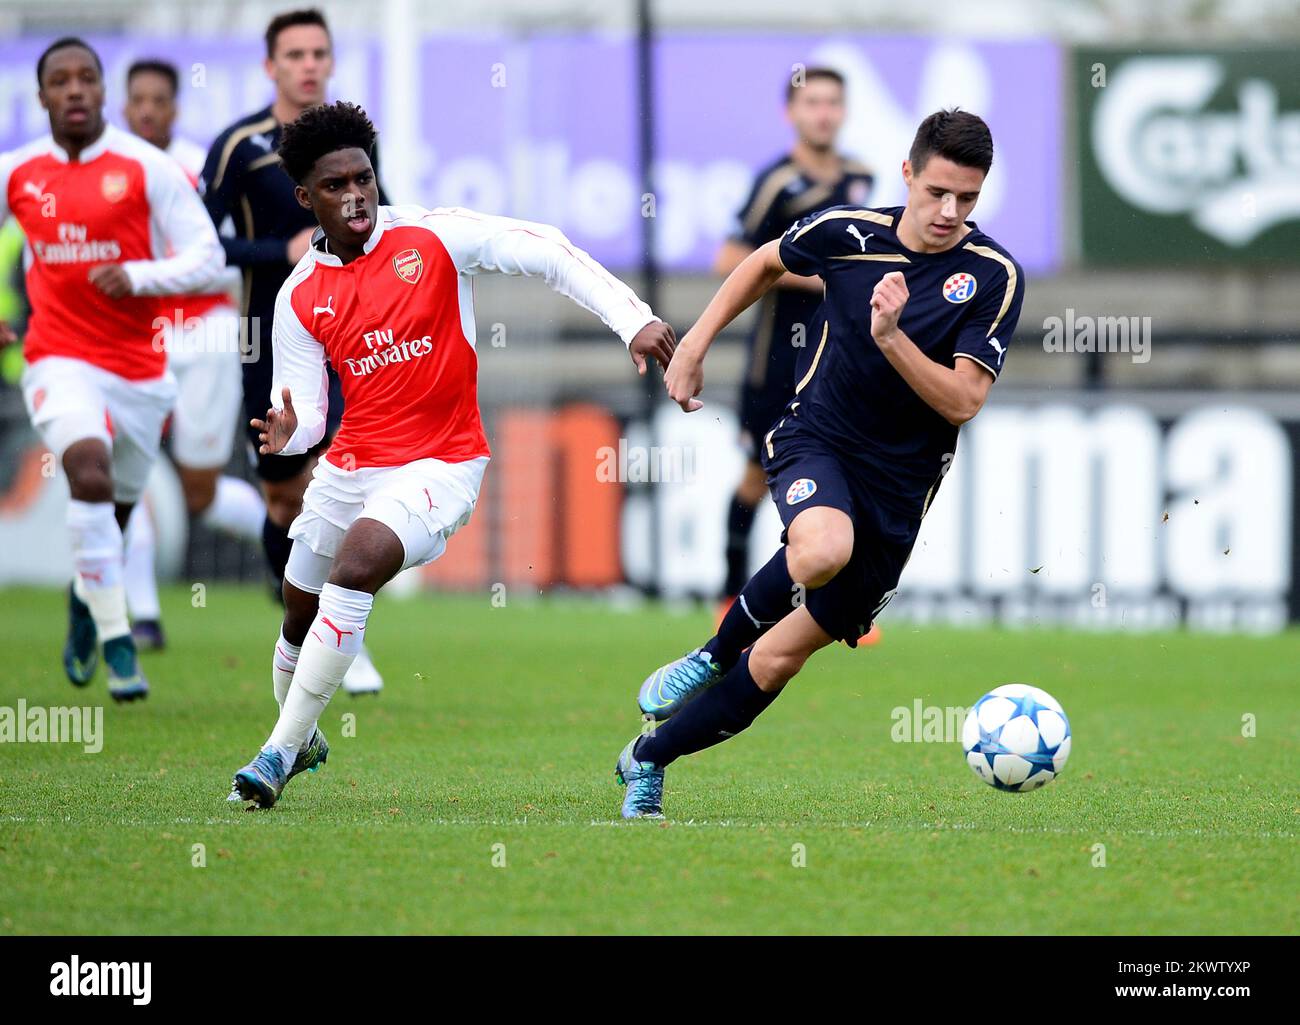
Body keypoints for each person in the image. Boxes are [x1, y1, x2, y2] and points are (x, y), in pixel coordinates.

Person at [227, 101, 676, 808]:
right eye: (337, 186)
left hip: (442, 462)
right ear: (305, 198)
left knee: (358, 566)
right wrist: (293, 427)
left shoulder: (432, 237)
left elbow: (546, 250)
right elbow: (310, 411)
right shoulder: (299, 295)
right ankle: (301, 735)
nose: (356, 196)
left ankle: (276, 754)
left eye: (364, 179)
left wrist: (633, 318)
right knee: (296, 610)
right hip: (350, 465)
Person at [619, 109, 1024, 817]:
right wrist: (694, 345)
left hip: (899, 493)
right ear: (907, 173)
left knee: (777, 660)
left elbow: (963, 400)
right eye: (936, 192)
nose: (948, 211)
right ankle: (713, 654)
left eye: (967, 198)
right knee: (821, 548)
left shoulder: (992, 276)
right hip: (820, 438)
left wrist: (892, 338)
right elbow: (765, 261)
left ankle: (648, 758)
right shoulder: (850, 233)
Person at [0, 38, 223, 699]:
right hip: (56, 358)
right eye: (60, 81)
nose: (74, 90)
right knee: (87, 470)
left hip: (138, 368)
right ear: (40, 97)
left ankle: (83, 600)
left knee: (118, 510)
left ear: (104, 93)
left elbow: (206, 256)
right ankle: (119, 639)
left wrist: (138, 274)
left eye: (86, 79)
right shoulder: (18, 171)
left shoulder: (146, 167)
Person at [200, 7, 387, 691]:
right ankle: (302, 623)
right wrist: (271, 252)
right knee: (284, 500)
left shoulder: (354, 151)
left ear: (331, 62)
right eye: (295, 54)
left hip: (348, 344)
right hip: (267, 345)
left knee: (341, 483)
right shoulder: (239, 146)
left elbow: (383, 230)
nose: (308, 64)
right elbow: (197, 241)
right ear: (270, 65)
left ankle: (343, 633)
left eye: (319, 53)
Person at [715, 67, 872, 618]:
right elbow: (731, 259)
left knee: (843, 471)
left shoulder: (861, 178)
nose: (824, 113)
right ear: (792, 113)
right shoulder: (776, 182)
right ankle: (729, 594)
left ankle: (837, 605)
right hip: (776, 359)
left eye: (833, 102)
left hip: (837, 358)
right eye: (813, 103)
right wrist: (813, 274)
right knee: (758, 477)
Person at [120, 58, 266, 650]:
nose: (148, 109)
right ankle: (142, 617)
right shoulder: (106, 171)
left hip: (202, 333)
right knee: (117, 477)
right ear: (124, 107)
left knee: (200, 494)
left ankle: (288, 550)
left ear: (175, 108)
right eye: (139, 100)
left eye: (160, 99)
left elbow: (224, 253)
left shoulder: (197, 171)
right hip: (131, 342)